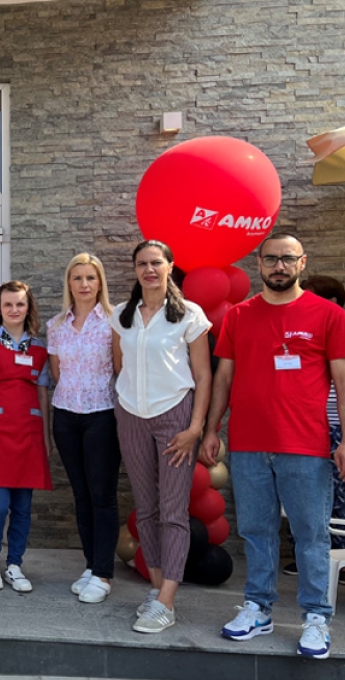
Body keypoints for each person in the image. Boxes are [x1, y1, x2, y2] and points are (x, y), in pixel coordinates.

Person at [201, 234, 345, 660]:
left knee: (310, 535)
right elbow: (224, 378)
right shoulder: (239, 316)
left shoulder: (328, 315)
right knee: (256, 531)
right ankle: (258, 607)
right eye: (271, 259)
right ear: (259, 264)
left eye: (287, 259)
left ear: (302, 262)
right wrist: (213, 429)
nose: (279, 266)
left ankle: (317, 618)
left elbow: (343, 380)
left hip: (305, 444)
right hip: (248, 445)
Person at [110, 240, 211, 633]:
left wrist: (195, 428)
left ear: (170, 266)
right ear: (135, 270)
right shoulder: (122, 315)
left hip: (175, 417)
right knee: (146, 508)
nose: (149, 270)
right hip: (132, 415)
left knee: (172, 511)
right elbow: (120, 368)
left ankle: (167, 599)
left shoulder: (189, 314)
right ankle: (158, 591)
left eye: (156, 263)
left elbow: (203, 376)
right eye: (142, 264)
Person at [46, 254, 121, 604]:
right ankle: (91, 566)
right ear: (69, 283)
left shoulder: (114, 321)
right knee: (81, 494)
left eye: (91, 278)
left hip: (101, 413)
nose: (85, 284)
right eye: (77, 278)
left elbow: (120, 368)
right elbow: (57, 372)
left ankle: (104, 574)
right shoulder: (56, 325)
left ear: (100, 282)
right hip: (66, 414)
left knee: (102, 496)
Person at [0, 281, 51, 593]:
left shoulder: (40, 348)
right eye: (8, 305)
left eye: (19, 304)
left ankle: (14, 564)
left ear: (27, 307)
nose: (14, 310)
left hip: (28, 436)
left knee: (23, 507)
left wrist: (46, 438)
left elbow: (42, 394)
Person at [284, 275, 345, 584]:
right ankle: (306, 558)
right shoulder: (299, 334)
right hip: (303, 427)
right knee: (301, 495)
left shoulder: (341, 331)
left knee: (341, 497)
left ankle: (342, 561)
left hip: (337, 427)